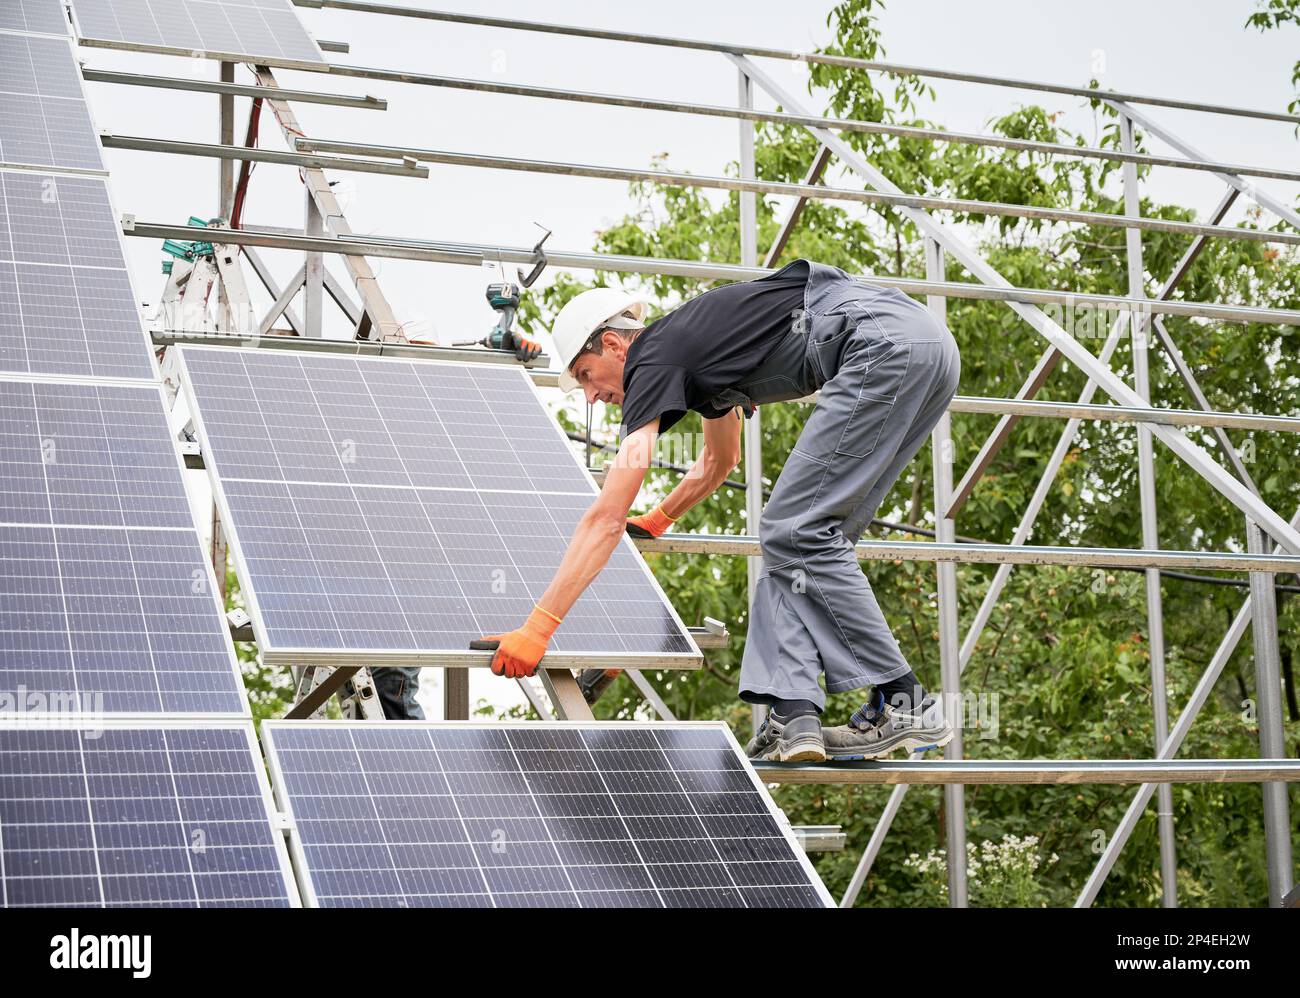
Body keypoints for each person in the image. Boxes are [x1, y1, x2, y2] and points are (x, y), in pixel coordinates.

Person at [475, 258, 961, 763]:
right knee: (800, 544)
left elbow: (605, 515)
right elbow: (719, 460)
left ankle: (904, 701)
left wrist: (538, 628)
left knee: (794, 531)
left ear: (615, 345)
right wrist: (662, 517)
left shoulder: (653, 357)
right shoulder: (700, 352)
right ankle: (794, 714)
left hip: (879, 345)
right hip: (928, 347)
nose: (594, 395)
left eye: (586, 375)